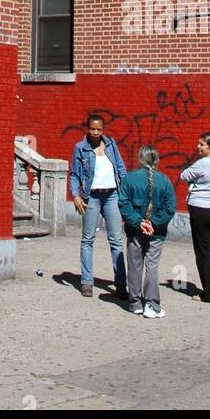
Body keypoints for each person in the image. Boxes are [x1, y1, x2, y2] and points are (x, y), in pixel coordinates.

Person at [70, 112, 128, 299]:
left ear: (103, 130)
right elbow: (74, 174)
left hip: (112, 195)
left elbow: (120, 168)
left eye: (99, 129)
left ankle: (120, 284)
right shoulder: (80, 148)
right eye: (93, 128)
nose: (96, 132)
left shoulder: (111, 144)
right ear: (88, 129)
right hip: (91, 197)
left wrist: (125, 194)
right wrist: (76, 196)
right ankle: (87, 281)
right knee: (88, 239)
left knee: (116, 240)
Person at [118, 146, 177, 318]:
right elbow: (170, 207)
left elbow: (123, 203)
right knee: (152, 266)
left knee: (135, 265)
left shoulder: (129, 179)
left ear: (140, 159)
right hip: (156, 232)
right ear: (156, 160)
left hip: (134, 229)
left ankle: (135, 302)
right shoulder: (165, 180)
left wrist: (139, 222)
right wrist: (153, 223)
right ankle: (152, 304)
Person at [180, 131, 210, 303]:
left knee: (202, 252)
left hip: (201, 209)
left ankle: (209, 294)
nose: (198, 147)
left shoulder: (203, 163)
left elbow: (184, 175)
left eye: (202, 144)